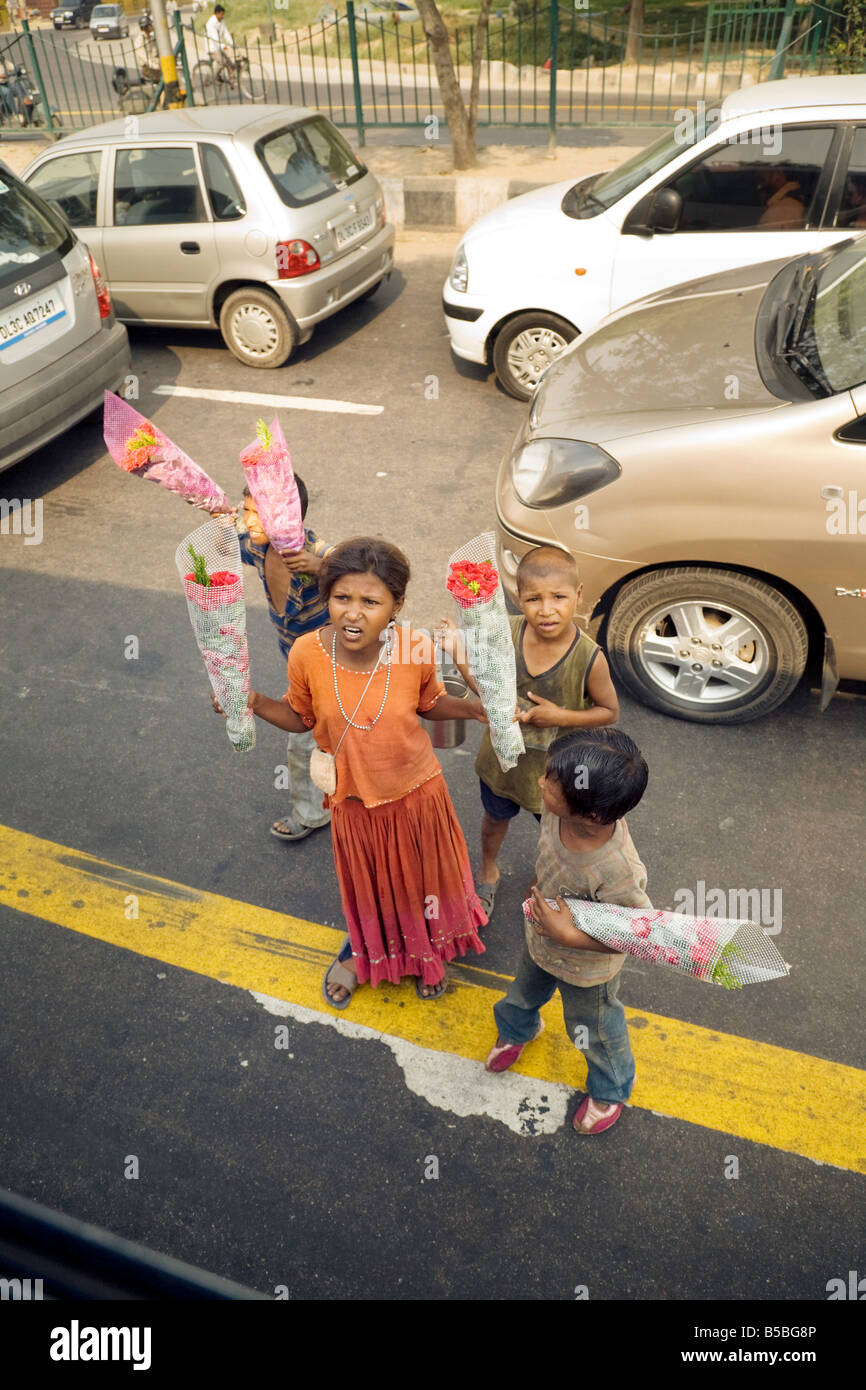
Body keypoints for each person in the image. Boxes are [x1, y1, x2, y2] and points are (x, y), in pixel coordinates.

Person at [235, 537, 489, 1006]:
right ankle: (363, 951)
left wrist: (472, 709)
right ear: (326, 597)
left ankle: (428, 953)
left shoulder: (413, 647)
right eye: (342, 598)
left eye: (370, 602)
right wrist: (254, 703)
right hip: (354, 802)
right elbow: (301, 718)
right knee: (373, 891)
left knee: (422, 887)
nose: (353, 613)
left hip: (417, 796)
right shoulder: (307, 654)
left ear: (396, 606)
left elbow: (429, 705)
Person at [436, 545, 618, 921]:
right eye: (534, 598)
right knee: (493, 819)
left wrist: (559, 716)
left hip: (557, 777)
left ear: (578, 595)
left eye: (559, 597)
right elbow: (488, 689)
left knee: (554, 838)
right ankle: (488, 871)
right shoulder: (503, 633)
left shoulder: (589, 658)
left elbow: (609, 712)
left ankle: (541, 882)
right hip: (502, 764)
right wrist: (457, 651)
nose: (546, 609)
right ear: (519, 598)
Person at [485, 728, 649, 1136]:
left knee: (595, 1030)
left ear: (592, 816)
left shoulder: (617, 869)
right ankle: (517, 1030)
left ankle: (611, 1089)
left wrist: (571, 936)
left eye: (552, 782)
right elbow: (548, 858)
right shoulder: (556, 812)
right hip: (540, 937)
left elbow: (635, 932)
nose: (540, 782)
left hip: (588, 970)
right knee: (522, 992)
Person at [235, 480, 335, 842]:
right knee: (325, 734)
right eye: (245, 511)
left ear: (286, 516)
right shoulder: (255, 545)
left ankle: (311, 813)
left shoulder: (314, 550)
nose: (247, 522)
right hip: (298, 662)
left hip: (336, 661)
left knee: (304, 741)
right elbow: (224, 538)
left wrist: (323, 567)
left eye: (255, 513)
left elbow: (365, 572)